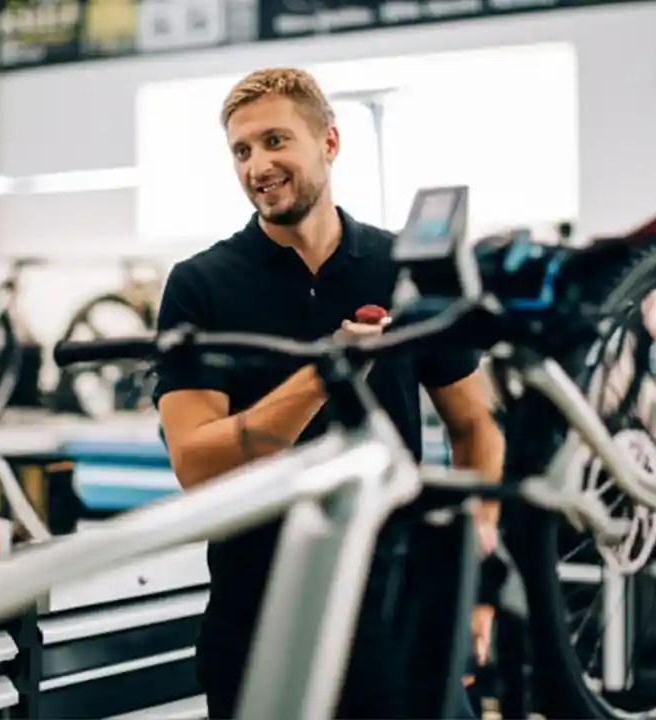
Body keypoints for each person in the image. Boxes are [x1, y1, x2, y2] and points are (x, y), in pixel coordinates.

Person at [152, 67, 507, 718]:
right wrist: (328, 370)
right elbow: (197, 466)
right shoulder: (201, 285)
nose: (258, 165)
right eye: (242, 150)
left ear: (330, 144)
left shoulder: (400, 264)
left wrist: (473, 575)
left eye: (275, 141)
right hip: (260, 621)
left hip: (399, 616)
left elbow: (476, 425)